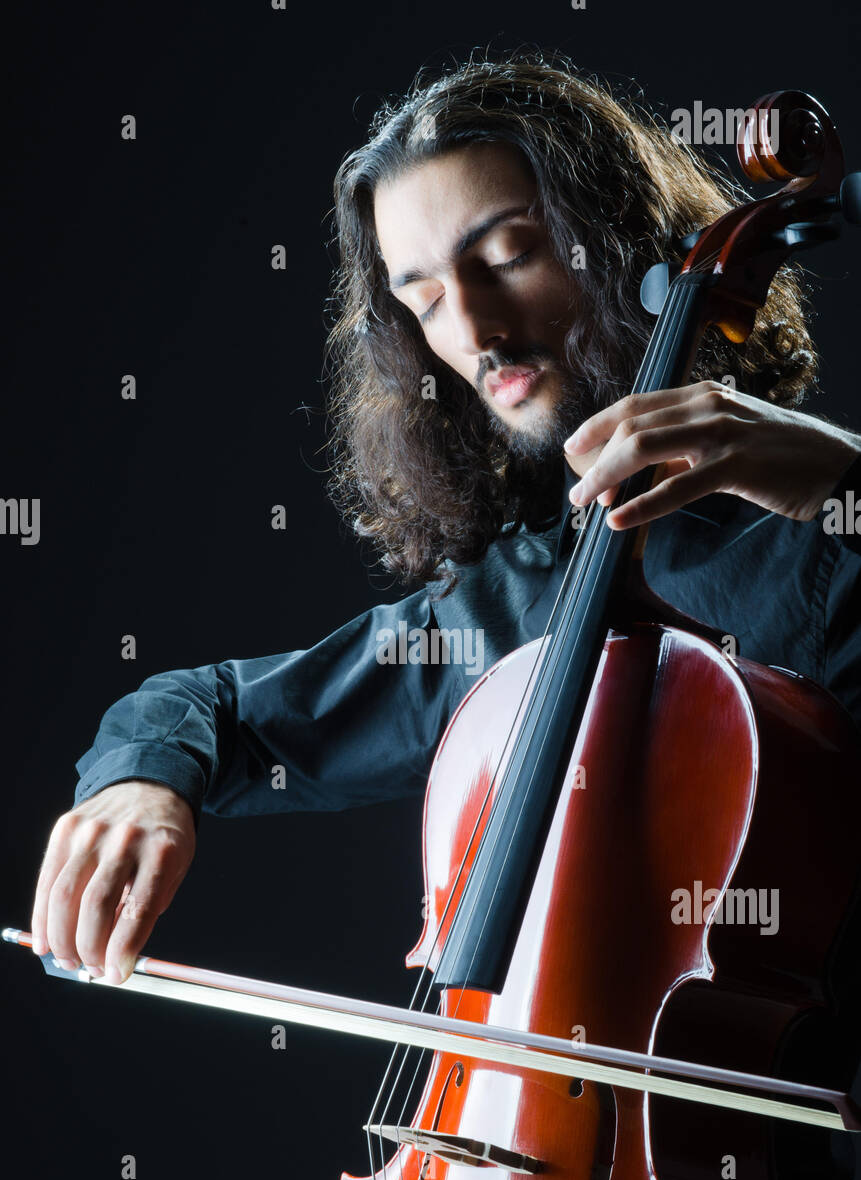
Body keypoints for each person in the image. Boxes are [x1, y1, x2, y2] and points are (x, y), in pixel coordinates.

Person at [31, 56, 861, 993]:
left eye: (506, 256)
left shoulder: (828, 534)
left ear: (625, 248)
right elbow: (213, 711)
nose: (471, 328)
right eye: (421, 296)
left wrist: (846, 480)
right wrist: (142, 783)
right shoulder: (514, 607)